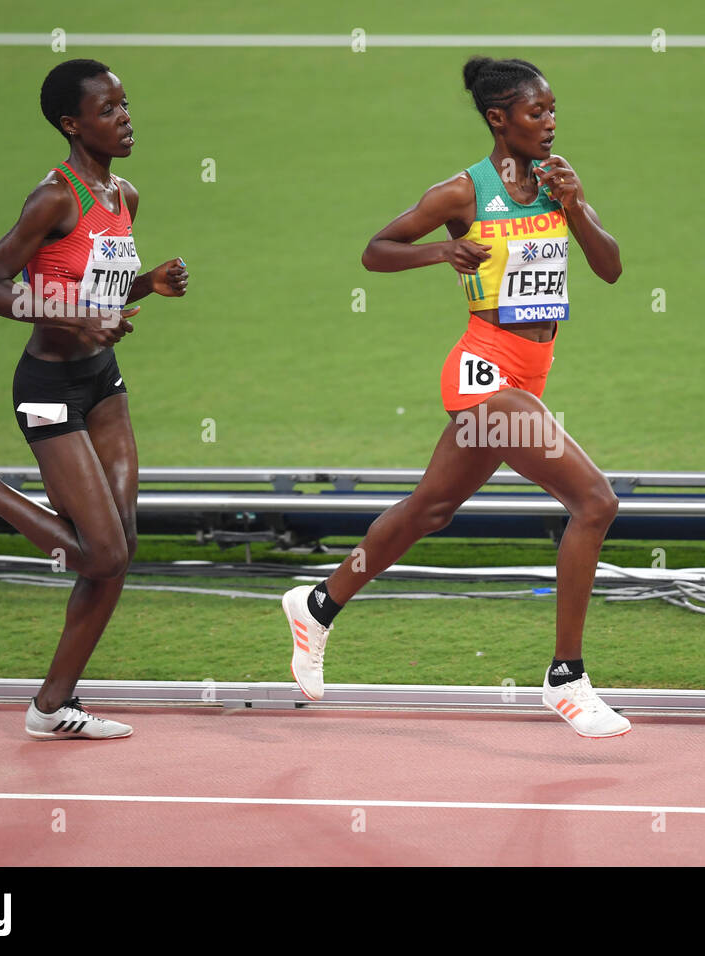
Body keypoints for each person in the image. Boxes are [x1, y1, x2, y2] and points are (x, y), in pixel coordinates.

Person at [281, 56, 630, 737]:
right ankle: (567, 678)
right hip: (482, 372)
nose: (551, 123)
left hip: (530, 373)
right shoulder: (461, 194)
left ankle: (318, 603)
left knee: (429, 509)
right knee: (595, 502)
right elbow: (376, 250)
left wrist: (579, 205)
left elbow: (611, 269)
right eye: (537, 113)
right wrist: (441, 254)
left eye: (555, 110)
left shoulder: (560, 186)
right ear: (499, 119)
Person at [0, 59, 188, 739]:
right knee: (99, 556)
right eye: (108, 110)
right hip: (49, 389)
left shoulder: (124, 197)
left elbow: (102, 295)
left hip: (103, 383)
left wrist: (148, 284)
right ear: (72, 124)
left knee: (118, 553)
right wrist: (75, 318)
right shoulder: (53, 199)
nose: (125, 119)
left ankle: (51, 706)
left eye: (126, 105)